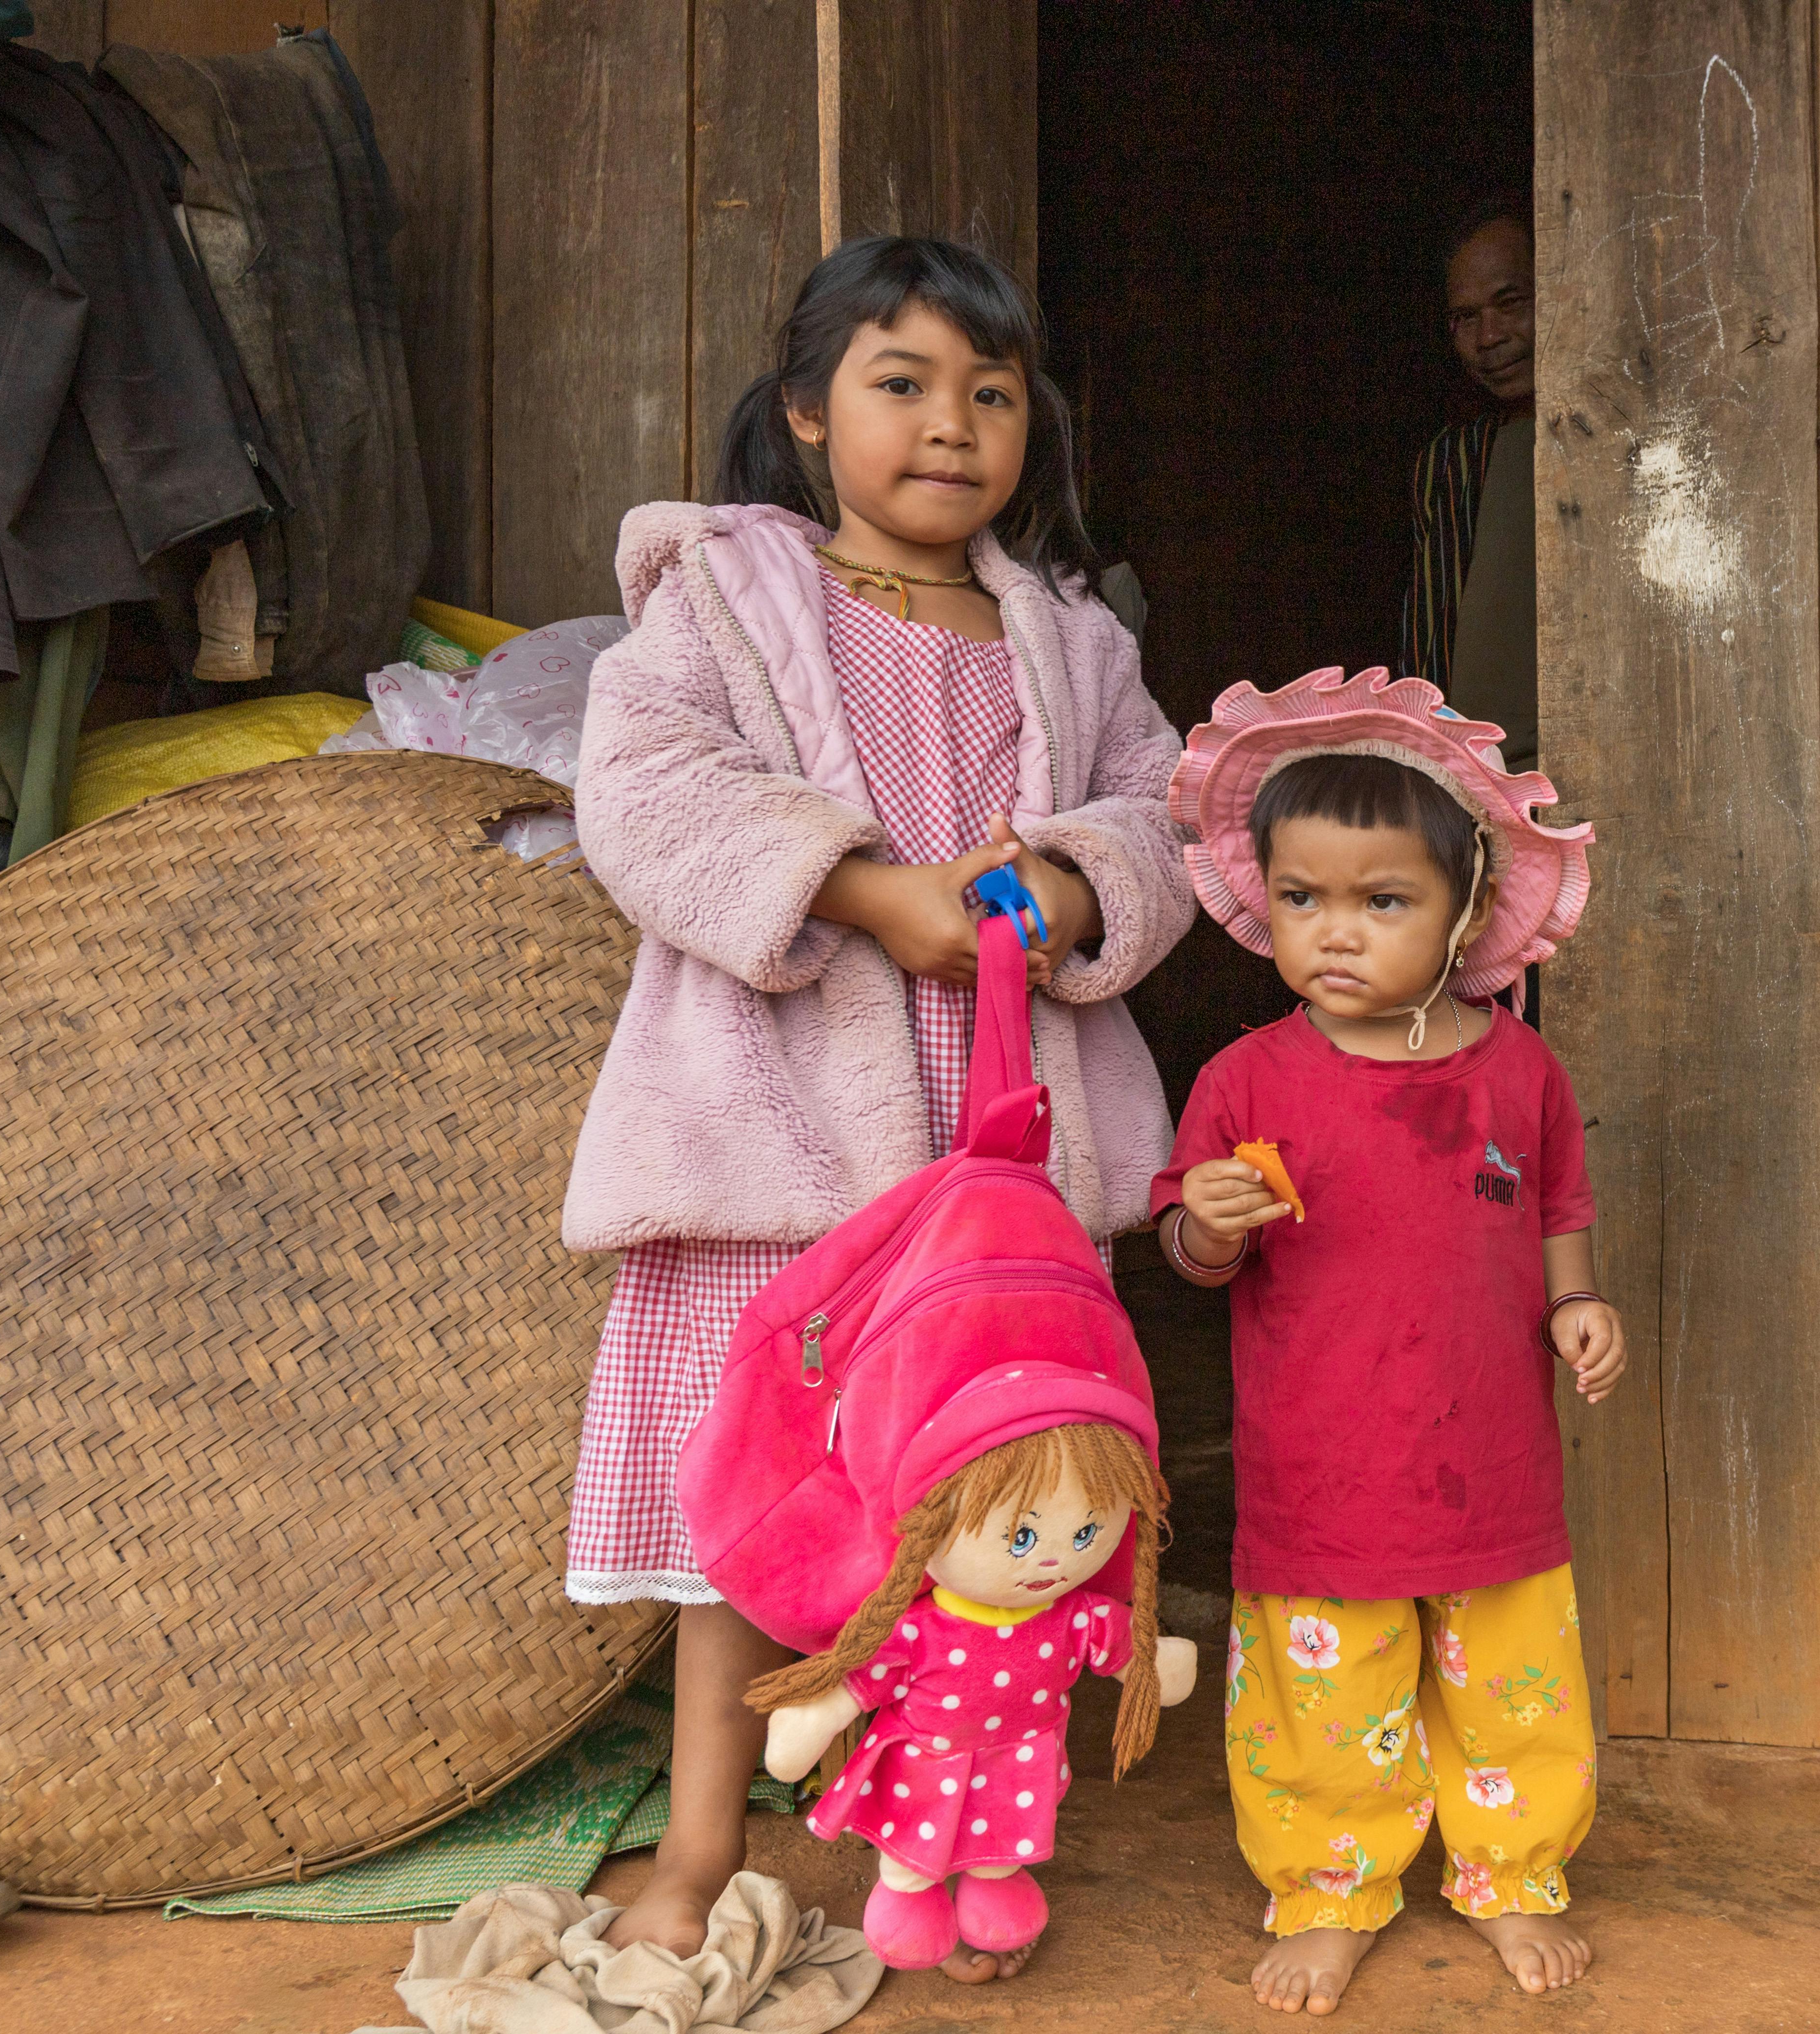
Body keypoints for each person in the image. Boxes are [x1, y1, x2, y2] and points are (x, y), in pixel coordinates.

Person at [560, 235, 1195, 1973]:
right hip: (786, 1142)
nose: (950, 424)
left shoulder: (1066, 638)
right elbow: (645, 788)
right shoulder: (727, 605)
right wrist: (861, 888)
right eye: (901, 384)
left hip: (990, 1144)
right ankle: (698, 1844)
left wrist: (1069, 889)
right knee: (749, 1493)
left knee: (981, 1499)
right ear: (801, 415)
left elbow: (1165, 812)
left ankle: (963, 1835)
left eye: (991, 394)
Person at [1153, 670, 1619, 2014]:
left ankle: (1515, 1875)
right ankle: (1332, 1886)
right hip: (1324, 1464)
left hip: (1494, 1463)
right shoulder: (1246, 1079)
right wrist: (1214, 1223)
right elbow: (1190, 1259)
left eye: (1383, 902)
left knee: (1514, 1691)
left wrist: (1579, 1304)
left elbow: (1558, 1205)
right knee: (1327, 1695)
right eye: (1303, 900)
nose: (1335, 935)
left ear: (1466, 911)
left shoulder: (1520, 1071)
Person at [1402, 194, 1537, 771]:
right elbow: (1425, 663)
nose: (1489, 337)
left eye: (1511, 303)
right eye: (1466, 318)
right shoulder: (1452, 464)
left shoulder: (1626, 441)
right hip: (1480, 796)